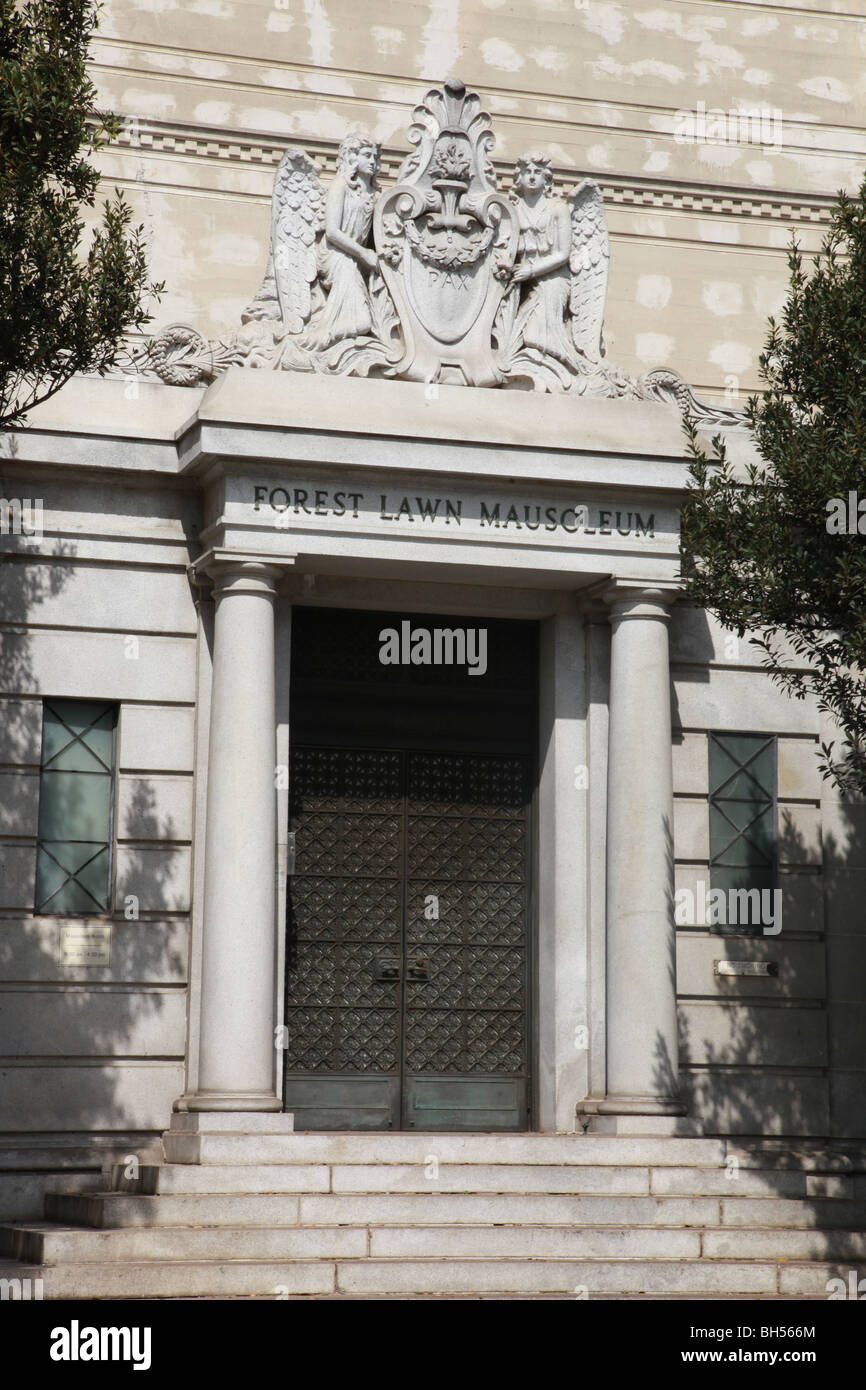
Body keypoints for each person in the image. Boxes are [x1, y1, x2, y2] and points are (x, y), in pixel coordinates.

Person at [308, 132, 381, 349]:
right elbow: (331, 232)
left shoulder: (374, 193)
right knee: (362, 321)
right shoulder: (340, 185)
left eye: (375, 157)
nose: (373, 162)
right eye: (367, 155)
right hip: (336, 255)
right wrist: (364, 254)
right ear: (352, 158)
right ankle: (324, 338)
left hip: (356, 258)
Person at [508, 152, 577, 367]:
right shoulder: (511, 209)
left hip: (552, 276)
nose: (531, 176)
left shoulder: (558, 209)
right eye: (527, 172)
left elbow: (562, 254)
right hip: (519, 275)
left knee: (534, 333)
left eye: (537, 172)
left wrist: (531, 270)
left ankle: (557, 361)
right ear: (519, 176)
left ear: (546, 178)